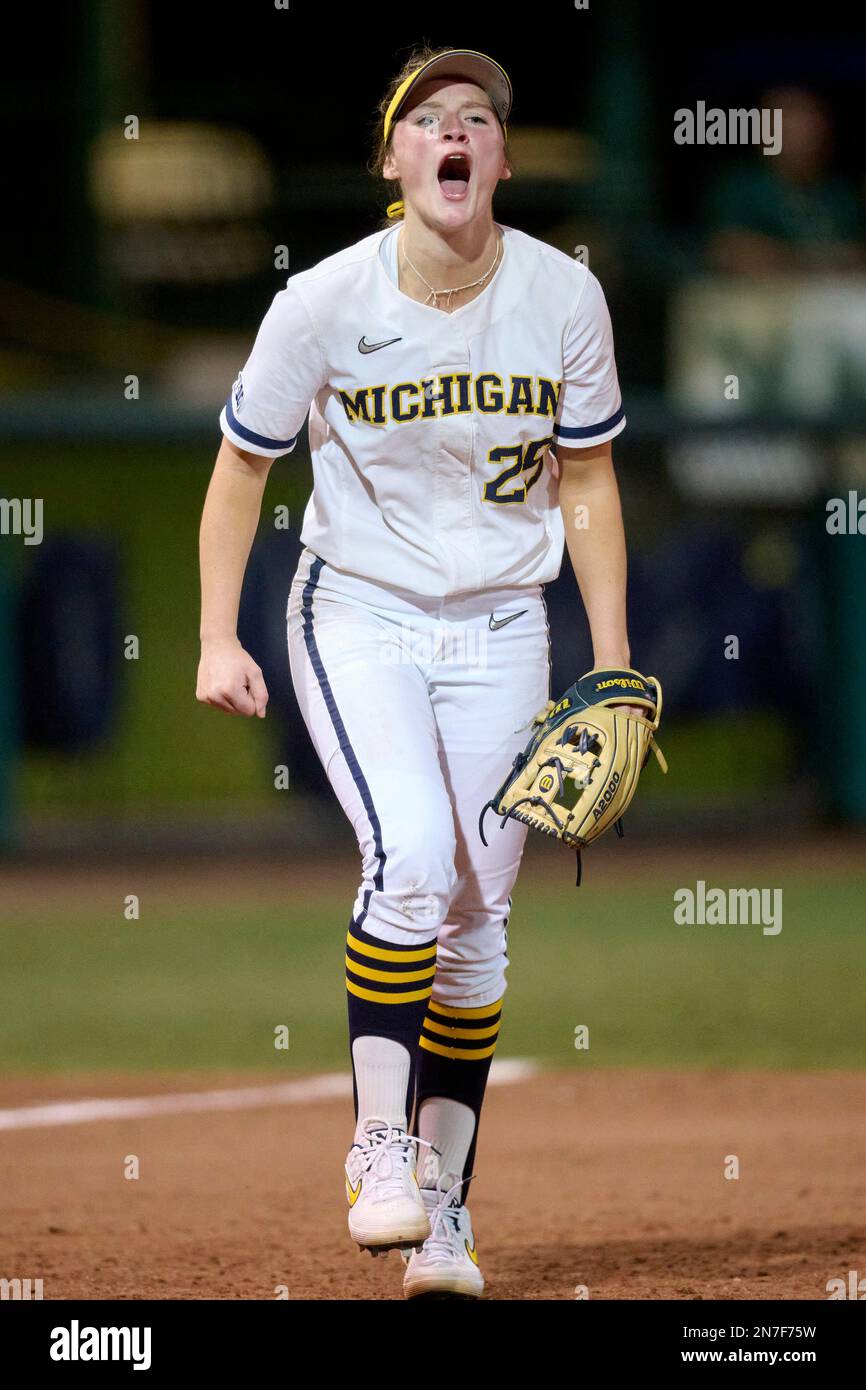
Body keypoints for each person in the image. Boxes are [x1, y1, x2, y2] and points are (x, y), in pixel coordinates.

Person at [197, 45, 637, 1300]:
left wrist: (607, 656)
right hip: (363, 614)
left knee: (478, 924)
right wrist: (217, 634)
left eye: (477, 119)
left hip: (502, 624)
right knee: (412, 859)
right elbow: (241, 467)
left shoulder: (562, 296)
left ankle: (441, 1216)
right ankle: (375, 1147)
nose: (454, 134)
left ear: (499, 158)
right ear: (393, 162)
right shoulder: (324, 301)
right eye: (425, 119)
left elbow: (590, 478)